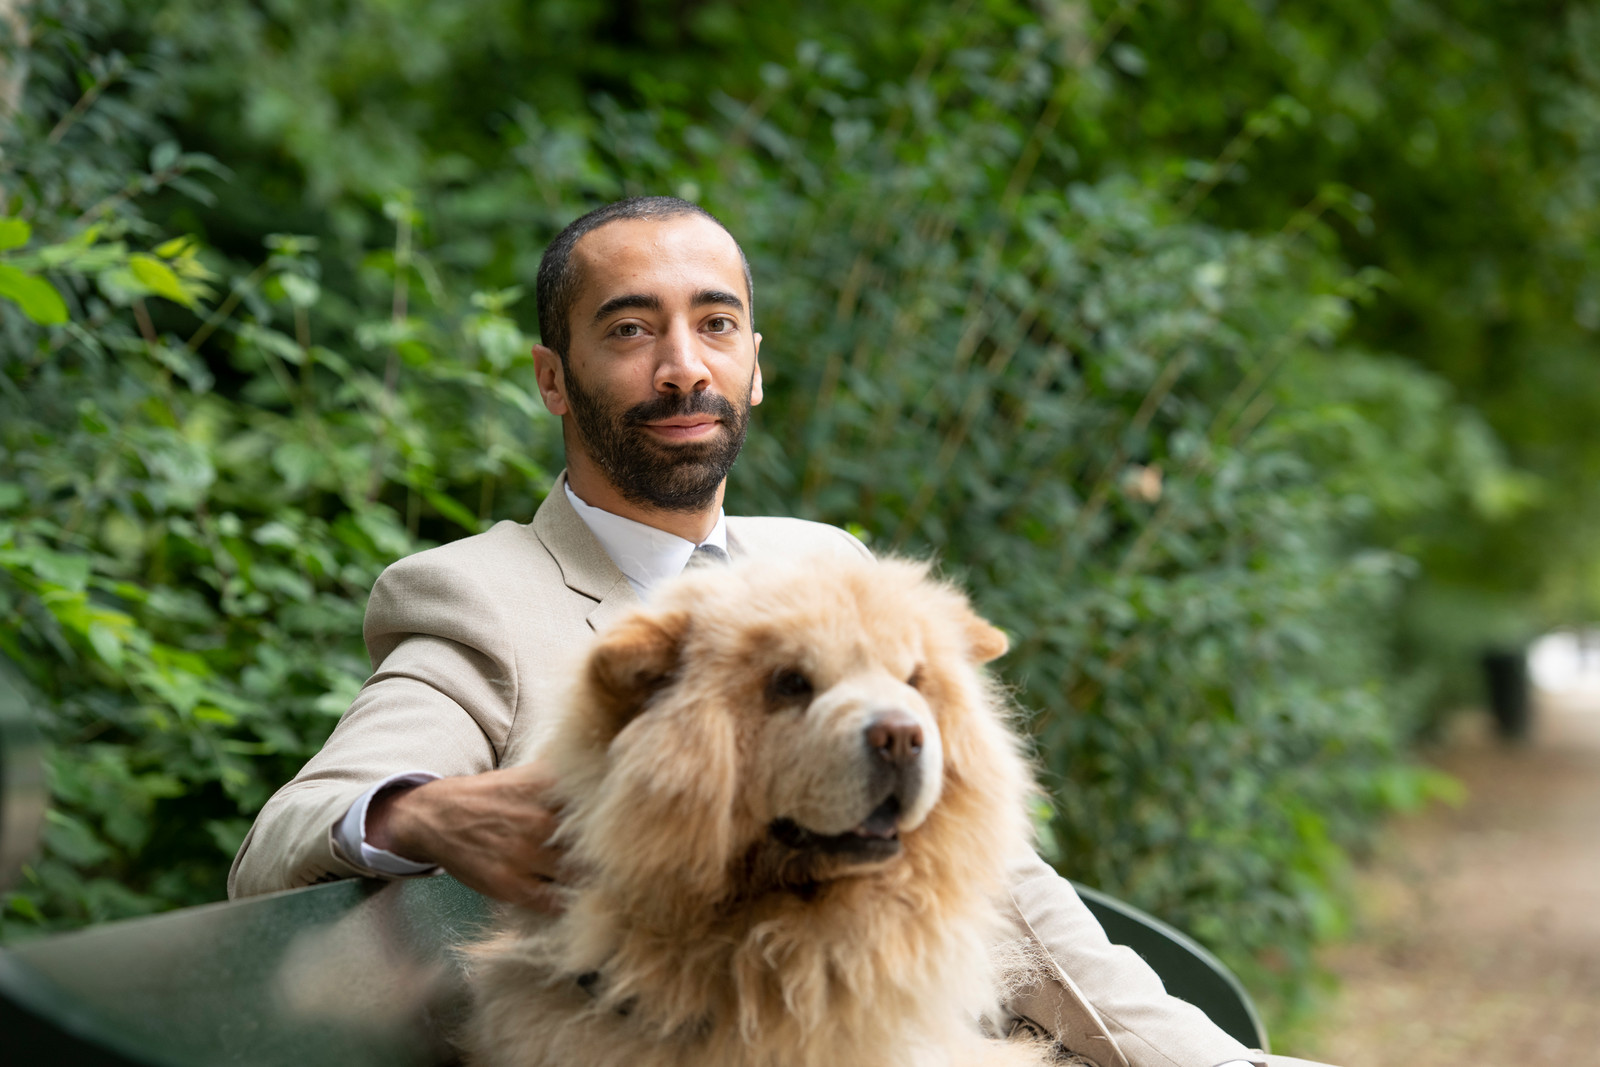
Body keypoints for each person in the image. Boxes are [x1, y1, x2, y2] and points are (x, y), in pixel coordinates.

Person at [229, 196, 1329, 1067]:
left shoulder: (829, 563)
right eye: (630, 329)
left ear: (755, 360)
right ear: (552, 380)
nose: (682, 366)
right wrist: (420, 811)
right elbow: (287, 830)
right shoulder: (473, 596)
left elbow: (1011, 898)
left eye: (713, 324)